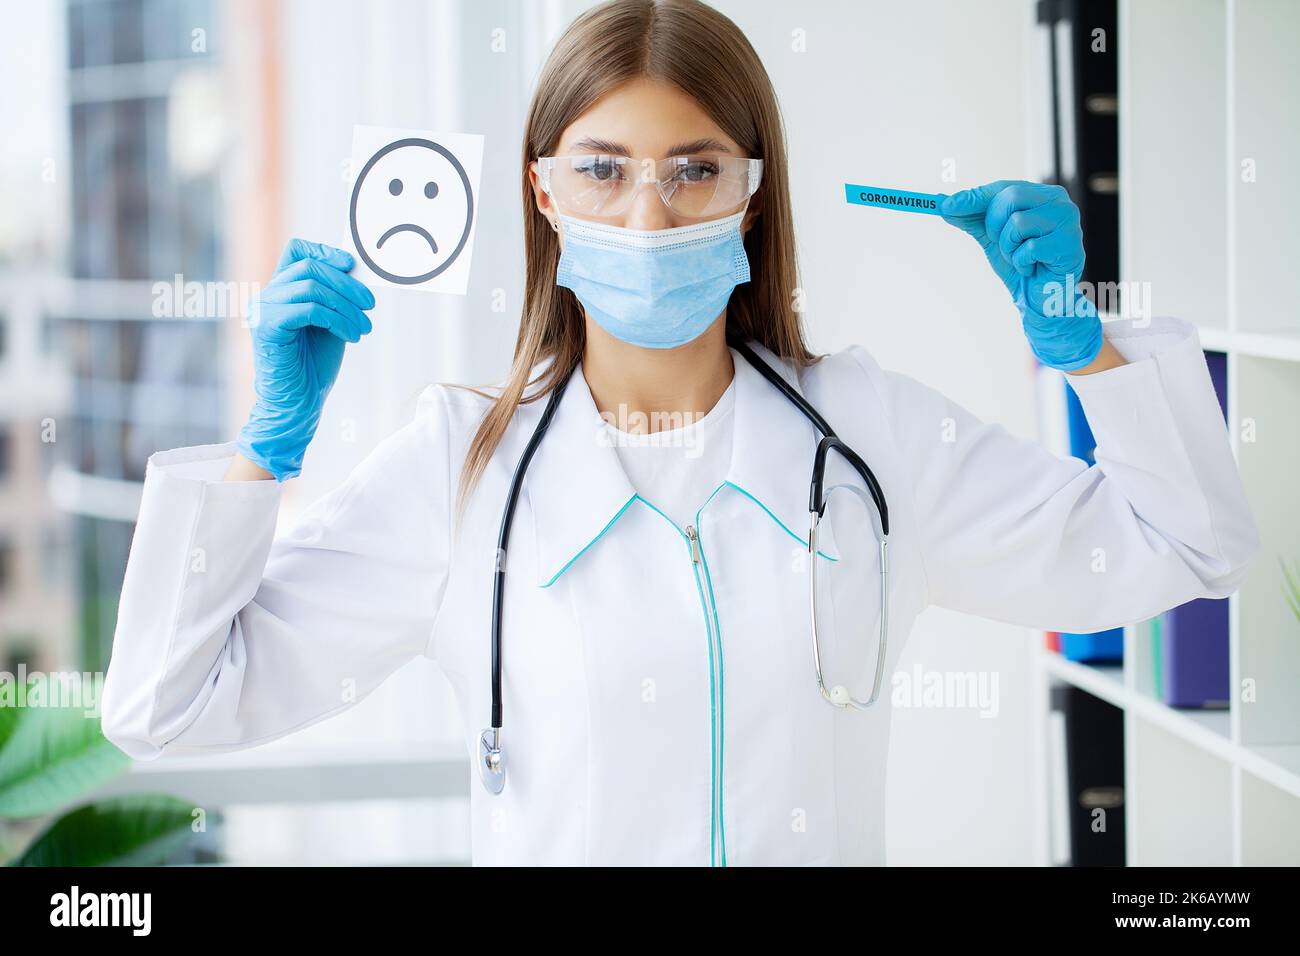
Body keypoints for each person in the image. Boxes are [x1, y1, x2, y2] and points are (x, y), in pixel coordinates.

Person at [101, 0, 1259, 866]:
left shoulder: (869, 439)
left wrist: (1083, 344)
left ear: (751, 194)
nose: (647, 213)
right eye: (602, 171)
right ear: (544, 195)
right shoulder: (460, 471)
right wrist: (265, 449)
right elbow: (164, 707)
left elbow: (1190, 545)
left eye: (694, 170)